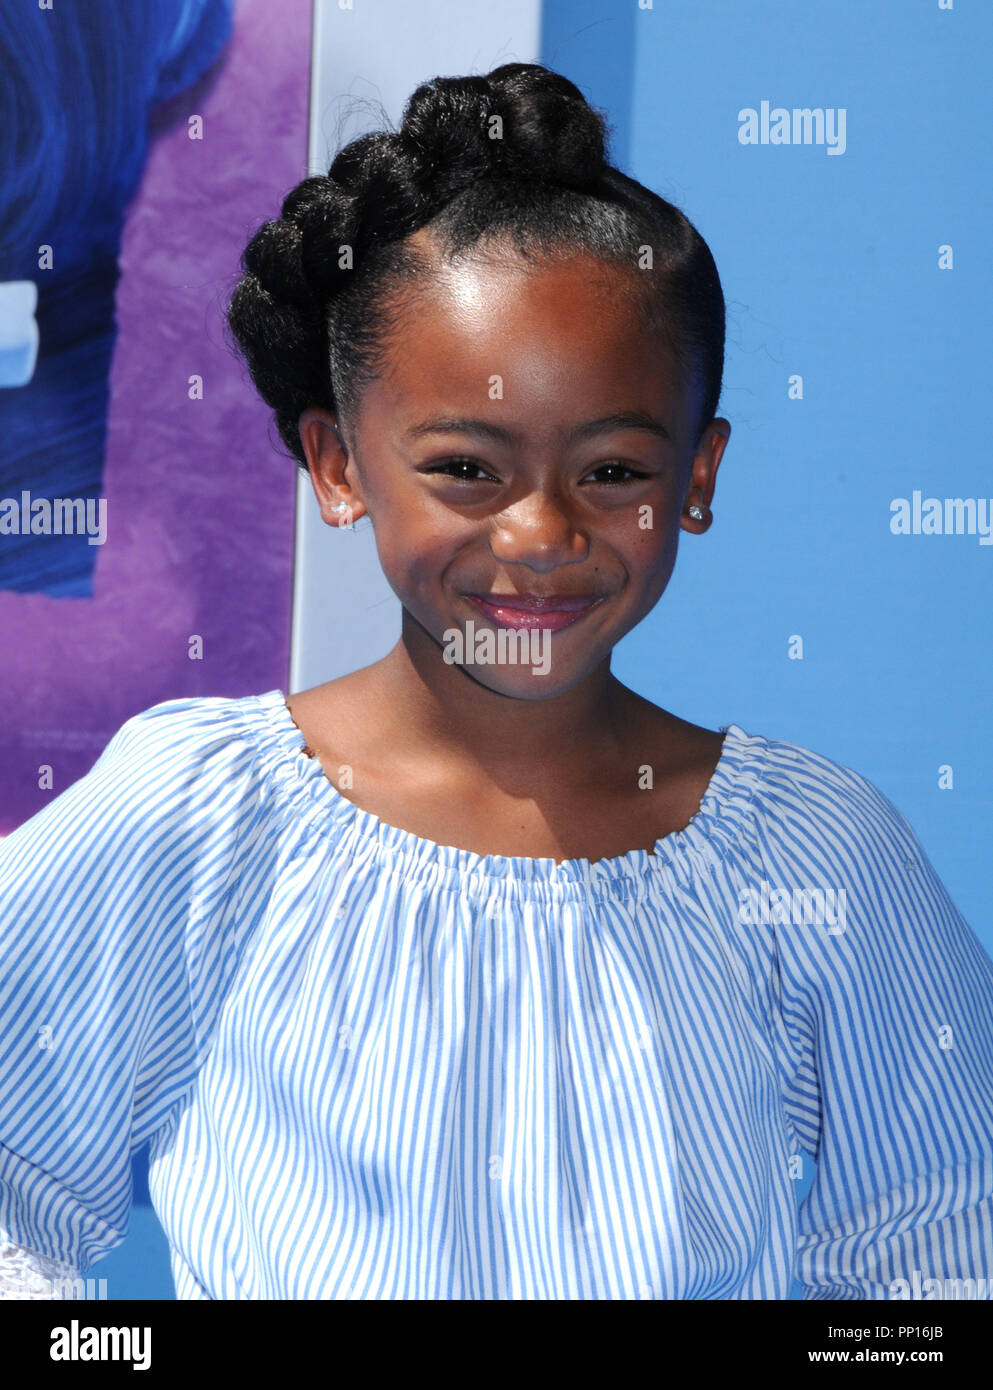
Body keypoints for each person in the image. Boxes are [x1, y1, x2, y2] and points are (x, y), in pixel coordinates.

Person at [2, 63, 991, 1301]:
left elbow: (943, 1251)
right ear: (338, 461)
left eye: (617, 469)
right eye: (468, 466)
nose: (540, 535)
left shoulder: (817, 860)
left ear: (698, 472)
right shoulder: (199, 824)